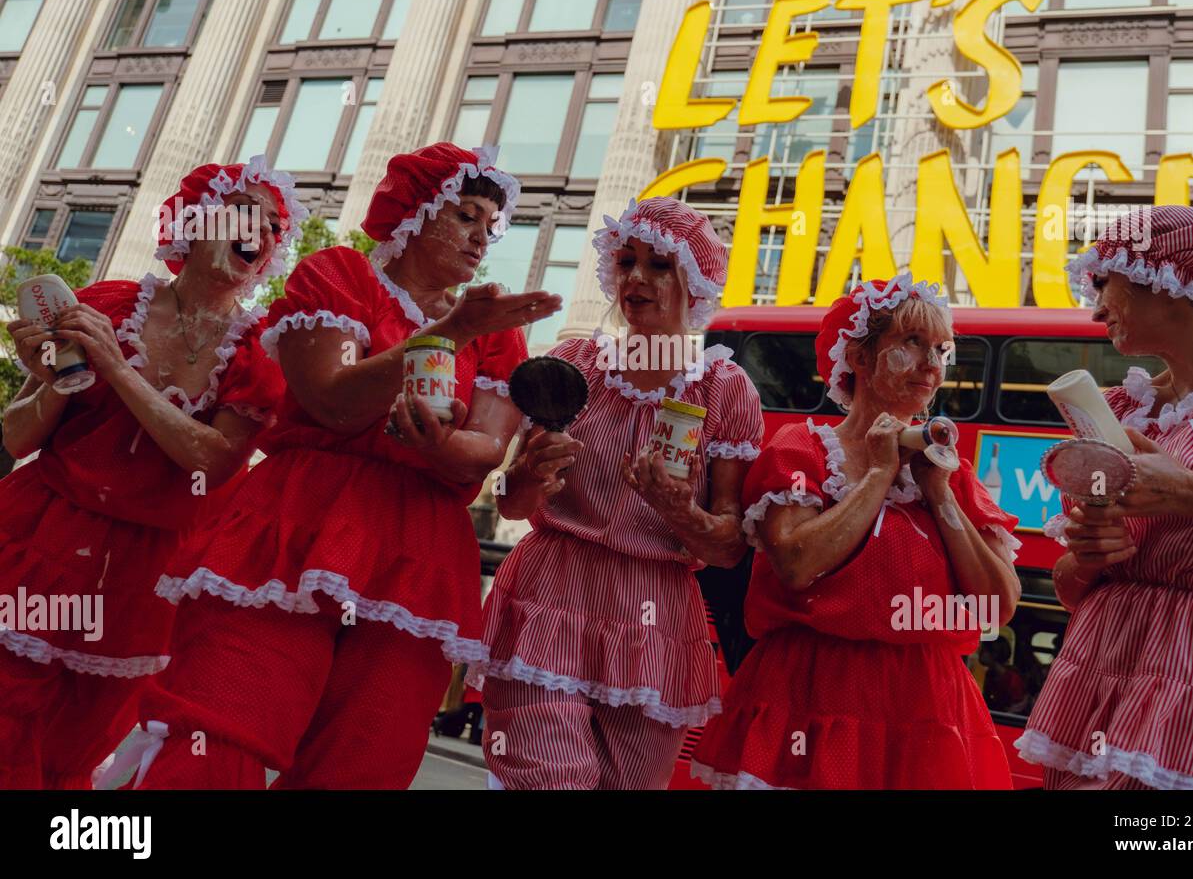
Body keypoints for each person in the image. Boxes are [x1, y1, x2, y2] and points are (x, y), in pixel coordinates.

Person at [103, 143, 562, 790]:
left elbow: (485, 450)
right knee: (222, 724)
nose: (482, 237)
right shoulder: (340, 276)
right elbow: (331, 399)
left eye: (492, 226)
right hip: (300, 521)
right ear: (414, 213)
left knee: (364, 761)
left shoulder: (496, 331)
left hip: (421, 552)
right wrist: (447, 336)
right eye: (465, 216)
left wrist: (432, 443)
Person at [0, 156, 300, 788]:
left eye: (275, 225)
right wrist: (59, 380)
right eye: (247, 213)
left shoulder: (256, 351)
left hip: (149, 573)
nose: (264, 232)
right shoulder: (104, 303)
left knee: (75, 750)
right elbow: (18, 433)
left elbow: (212, 462)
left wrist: (116, 367)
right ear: (192, 223)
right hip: (40, 533)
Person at [468, 197, 765, 790]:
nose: (636, 278)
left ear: (696, 281)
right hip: (552, 590)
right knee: (547, 777)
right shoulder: (574, 362)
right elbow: (509, 503)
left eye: (659, 266)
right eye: (627, 261)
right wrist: (529, 473)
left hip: (654, 616)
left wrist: (680, 510)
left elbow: (731, 546)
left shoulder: (725, 389)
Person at [690, 275, 1022, 789]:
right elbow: (798, 565)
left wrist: (940, 496)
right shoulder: (800, 449)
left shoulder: (953, 476)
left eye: (941, 349)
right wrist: (878, 475)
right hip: (812, 687)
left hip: (928, 704)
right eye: (911, 343)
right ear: (860, 358)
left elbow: (995, 607)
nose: (933, 364)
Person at [1018, 205, 1193, 789]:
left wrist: (1190, 492)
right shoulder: (1119, 410)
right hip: (1100, 663)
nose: (1095, 308)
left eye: (1104, 283)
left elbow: (1191, 498)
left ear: (1168, 279)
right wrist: (1089, 554)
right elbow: (1072, 586)